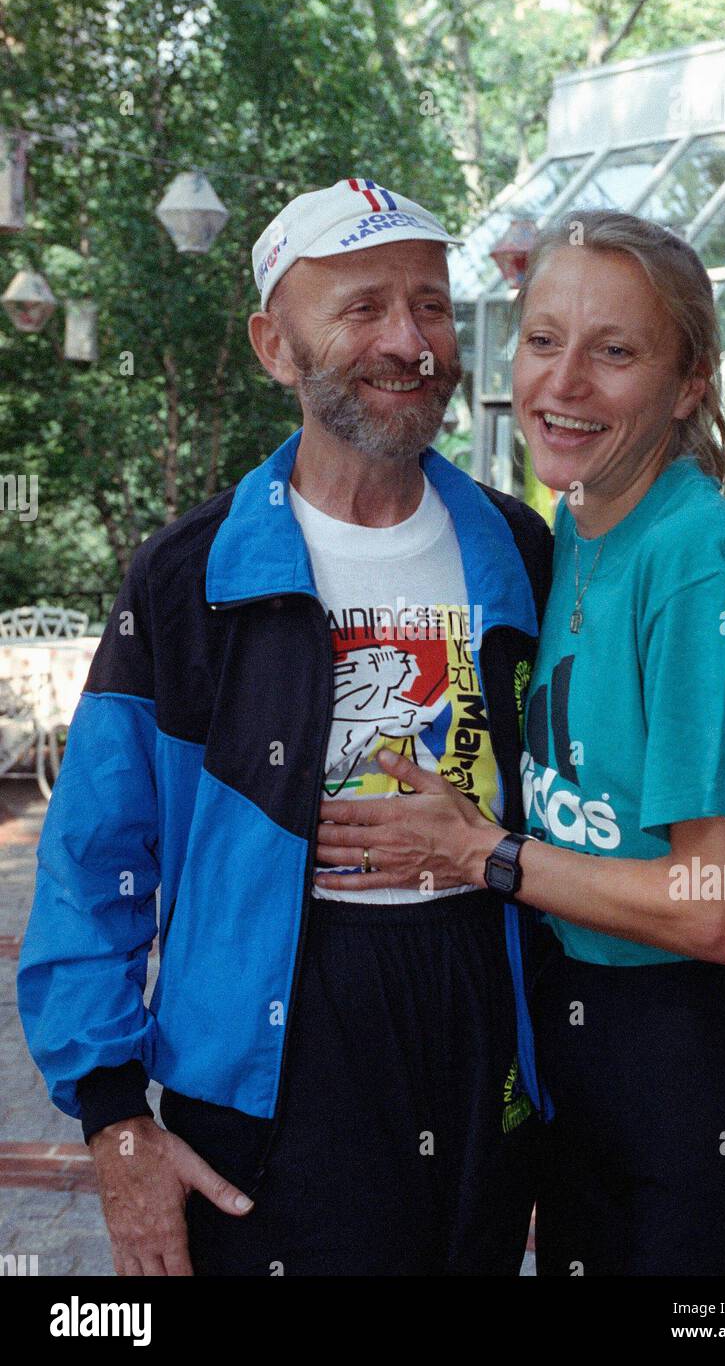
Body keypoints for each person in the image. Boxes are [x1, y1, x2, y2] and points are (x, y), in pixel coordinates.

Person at [17, 179, 556, 1276]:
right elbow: (94, 860)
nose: (410, 342)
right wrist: (117, 1119)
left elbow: (601, 770)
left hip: (484, 1034)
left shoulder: (521, 549)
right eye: (362, 308)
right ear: (276, 344)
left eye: (432, 306)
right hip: (270, 1071)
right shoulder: (187, 575)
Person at [315, 209, 725, 1276]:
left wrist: (480, 855)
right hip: (579, 1069)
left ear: (688, 383)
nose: (564, 385)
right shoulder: (564, 538)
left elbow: (721, 908)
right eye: (543, 341)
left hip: (697, 1087)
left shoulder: (693, 557)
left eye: (615, 351)